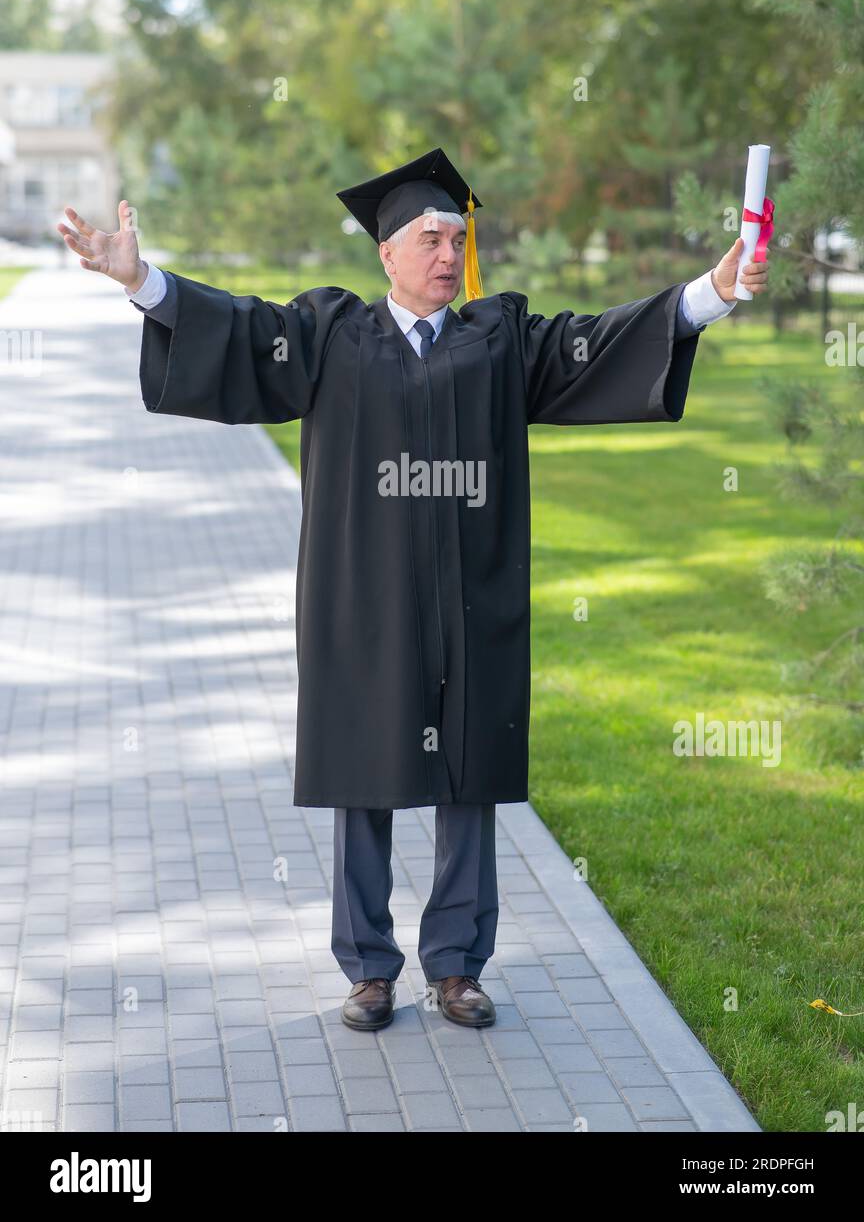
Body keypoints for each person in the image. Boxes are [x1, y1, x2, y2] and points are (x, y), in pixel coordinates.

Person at [57, 147, 769, 1032]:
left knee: (466, 774)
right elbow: (241, 331)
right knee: (363, 769)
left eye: (457, 237)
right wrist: (144, 284)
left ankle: (458, 968)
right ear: (386, 253)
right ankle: (368, 970)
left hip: (473, 600)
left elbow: (600, 342)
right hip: (366, 602)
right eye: (429, 237)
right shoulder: (329, 338)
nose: (447, 252)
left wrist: (716, 289)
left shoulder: (500, 339)